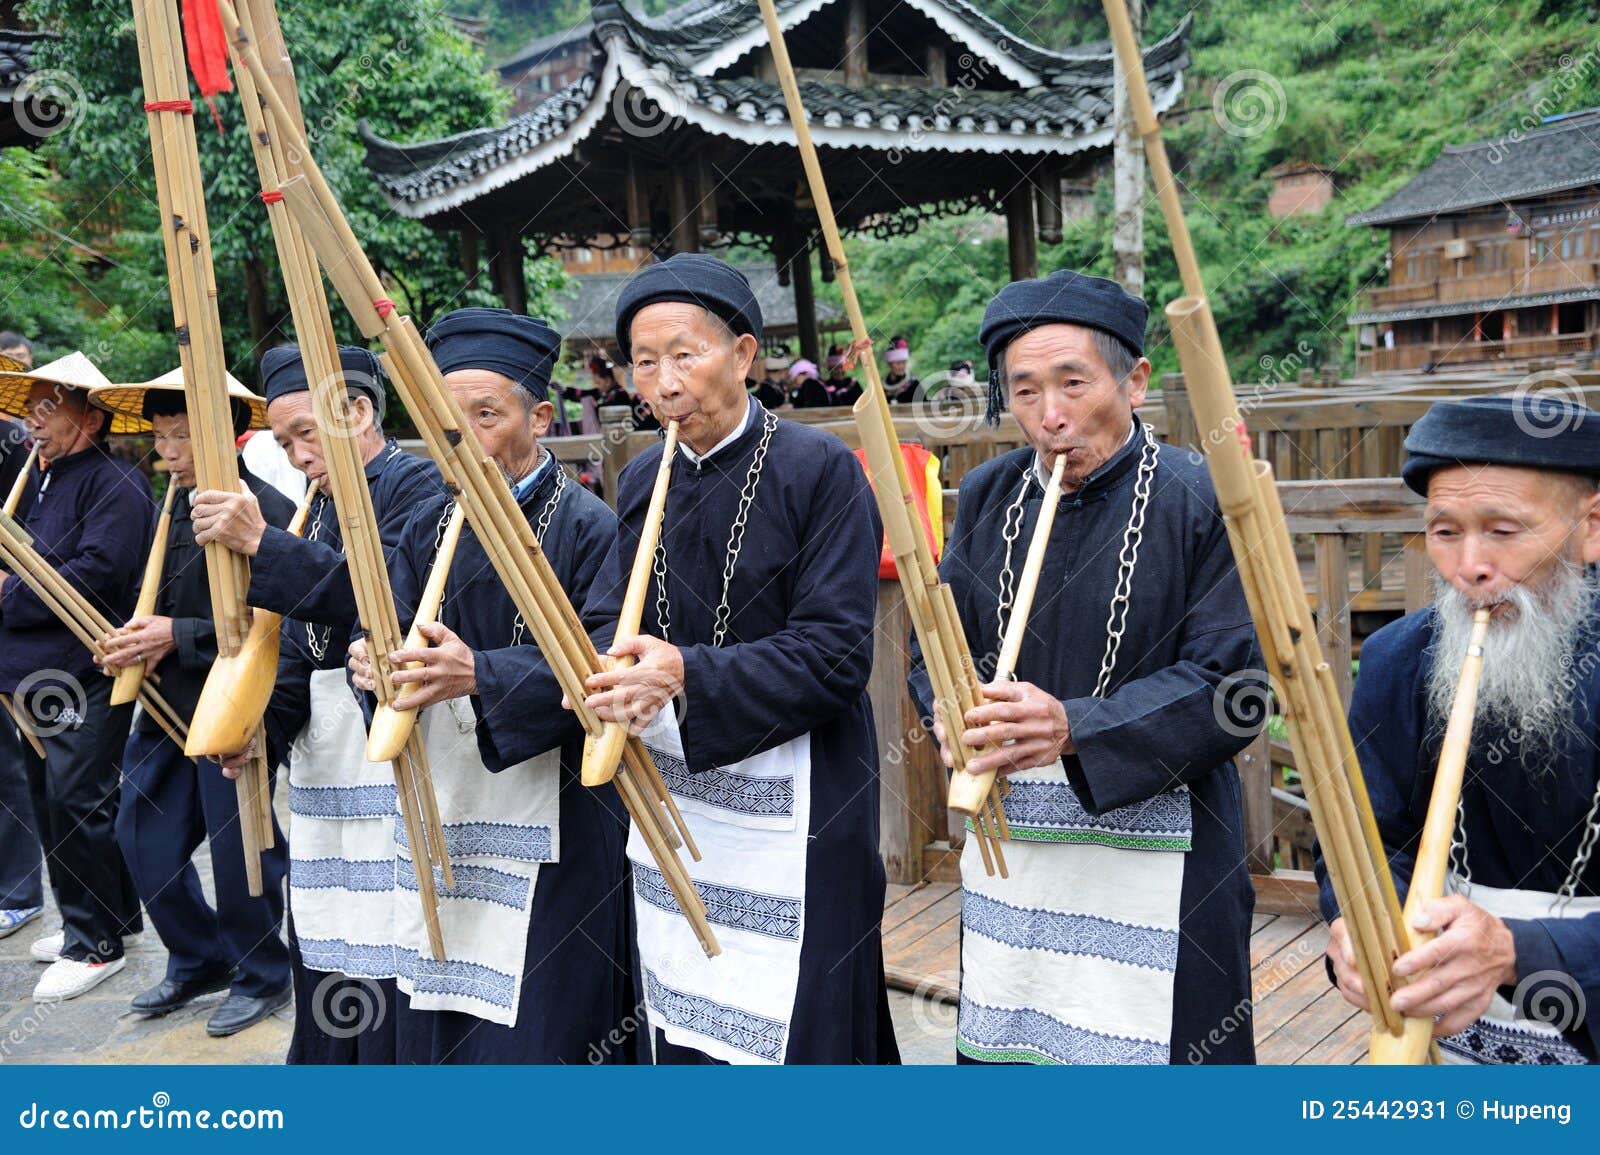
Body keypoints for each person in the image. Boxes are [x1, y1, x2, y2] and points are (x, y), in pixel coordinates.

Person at [909, 270, 1261, 1065]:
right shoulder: (992, 492)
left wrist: (1076, 726)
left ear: (1134, 380)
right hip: (1017, 854)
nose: (1051, 415)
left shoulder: (1199, 496)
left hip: (1163, 855)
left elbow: (1234, 685)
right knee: (1015, 1057)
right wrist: (947, 706)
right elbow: (938, 644)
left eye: (1074, 383)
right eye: (1025, 390)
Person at [575, 254, 896, 1064]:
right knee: (689, 1006)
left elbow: (837, 652)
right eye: (645, 363)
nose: (664, 383)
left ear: (744, 354)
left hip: (806, 796)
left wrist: (686, 671)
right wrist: (615, 665)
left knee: (803, 1021)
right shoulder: (642, 477)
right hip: (682, 798)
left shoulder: (819, 468)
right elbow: (611, 612)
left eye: (685, 355)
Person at [346, 307, 638, 1063]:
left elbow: (606, 668)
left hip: (558, 814)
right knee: (442, 991)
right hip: (445, 805)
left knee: (540, 1019)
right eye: (451, 420)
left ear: (538, 418)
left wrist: (480, 673)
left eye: (487, 415)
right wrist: (371, 665)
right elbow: (391, 634)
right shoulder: (426, 523)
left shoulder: (586, 524)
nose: (466, 438)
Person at [1321, 394, 1600, 1064]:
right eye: (1445, 533)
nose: (1470, 567)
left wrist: (1518, 949)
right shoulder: (1397, 658)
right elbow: (1367, 840)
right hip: (1444, 1041)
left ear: (1591, 527)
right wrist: (1362, 923)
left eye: (1503, 531)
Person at [207, 344, 443, 1064]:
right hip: (326, 774)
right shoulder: (316, 509)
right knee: (331, 933)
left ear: (359, 412)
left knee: (397, 937)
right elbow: (295, 654)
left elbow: (386, 601)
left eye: (306, 433)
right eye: (284, 443)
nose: (299, 455)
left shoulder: (419, 486)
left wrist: (263, 544)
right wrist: (261, 731)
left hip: (396, 758)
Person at [89, 370, 296, 1035]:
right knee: (139, 834)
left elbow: (275, 625)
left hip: (233, 704)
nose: (167, 452)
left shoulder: (264, 510)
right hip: (166, 704)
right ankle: (199, 956)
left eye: (181, 436)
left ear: (222, 433)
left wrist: (175, 635)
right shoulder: (172, 506)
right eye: (160, 436)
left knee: (241, 851)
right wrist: (134, 640)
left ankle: (263, 972)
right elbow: (156, 602)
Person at [0, 352, 148, 1001]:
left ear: (90, 417)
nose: (32, 421)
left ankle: (94, 945)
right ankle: (107, 915)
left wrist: (8, 592)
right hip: (32, 670)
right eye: (30, 409)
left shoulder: (115, 482)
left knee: (77, 798)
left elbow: (99, 572)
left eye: (47, 408)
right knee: (47, 795)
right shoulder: (42, 477)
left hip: (84, 666)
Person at [884, 336, 921, 403]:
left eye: (904, 362)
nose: (901, 366)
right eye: (898, 363)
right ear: (889, 364)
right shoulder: (881, 386)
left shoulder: (914, 384)